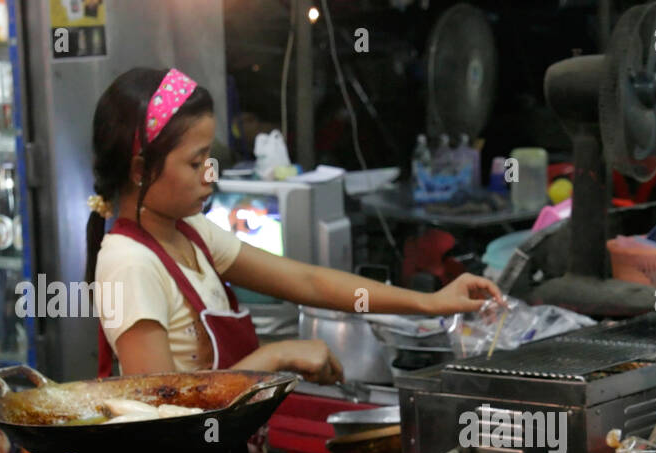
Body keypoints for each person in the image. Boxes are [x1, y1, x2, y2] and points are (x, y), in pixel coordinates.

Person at [86, 67, 500, 379]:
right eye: (196, 163)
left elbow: (308, 283)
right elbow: (160, 411)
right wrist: (275, 357)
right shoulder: (130, 264)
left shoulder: (191, 234)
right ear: (140, 169)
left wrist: (429, 302)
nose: (210, 174)